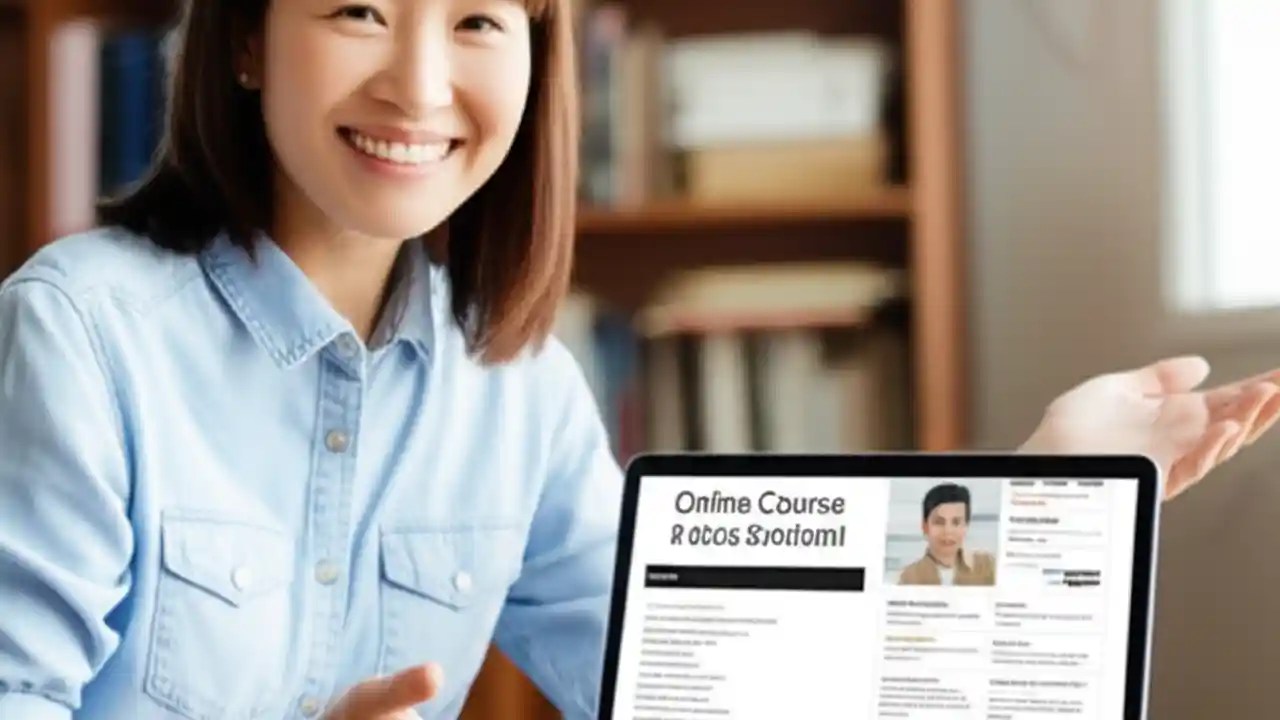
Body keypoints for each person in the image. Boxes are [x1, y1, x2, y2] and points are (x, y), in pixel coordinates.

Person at [0, 0, 1279, 718]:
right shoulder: (81, 335)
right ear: (243, 39)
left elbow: (730, 672)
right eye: (357, 9)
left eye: (478, 19)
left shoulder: (515, 389)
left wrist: (1046, 495)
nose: (419, 86)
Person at [898, 483, 995, 586]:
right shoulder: (908, 577)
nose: (948, 531)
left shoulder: (988, 566)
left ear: (966, 526)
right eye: (939, 522)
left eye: (956, 522)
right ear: (925, 526)